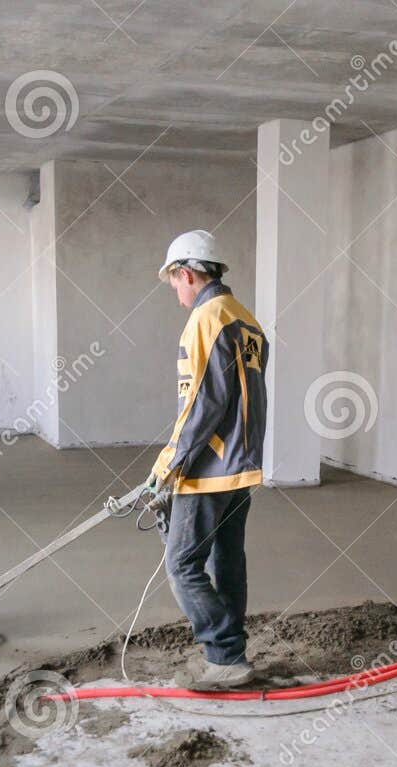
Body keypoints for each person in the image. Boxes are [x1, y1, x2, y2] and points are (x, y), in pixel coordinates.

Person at [142, 229, 269, 690]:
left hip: (208, 470)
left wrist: (165, 469)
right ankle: (232, 651)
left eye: (174, 281)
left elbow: (201, 406)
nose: (175, 291)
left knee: (182, 564)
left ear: (187, 273)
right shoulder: (245, 319)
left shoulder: (206, 319)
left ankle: (225, 656)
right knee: (227, 559)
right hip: (242, 464)